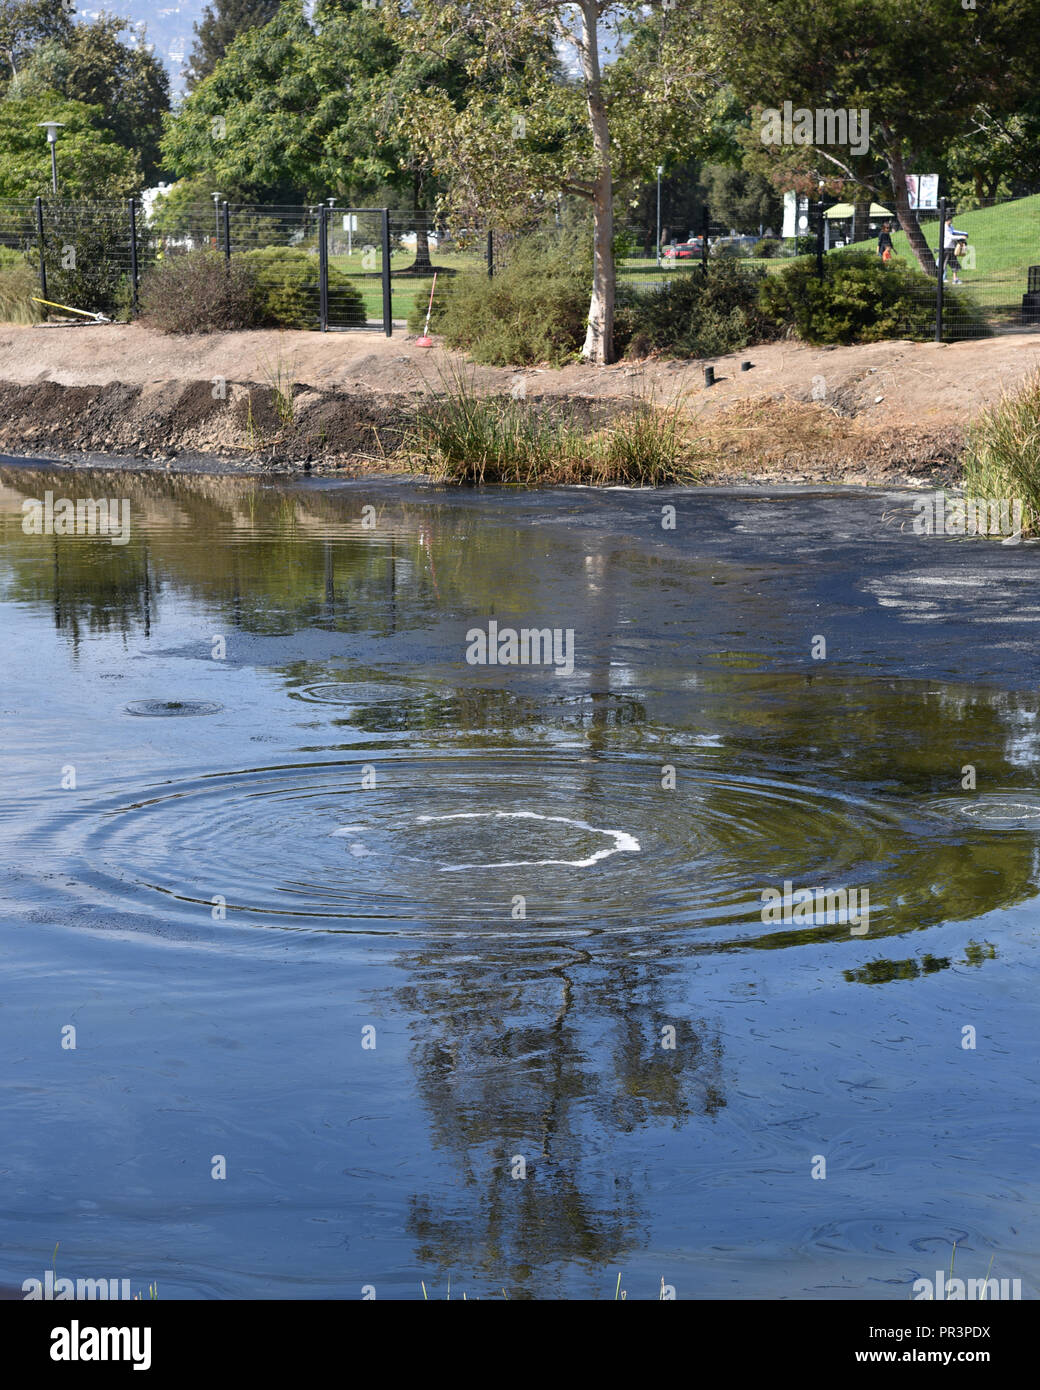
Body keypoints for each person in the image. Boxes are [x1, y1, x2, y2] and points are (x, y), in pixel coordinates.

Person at [942, 214, 968, 284]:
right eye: (950, 219)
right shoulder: (944, 227)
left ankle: (955, 279)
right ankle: (942, 279)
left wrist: (964, 233)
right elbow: (950, 236)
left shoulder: (951, 226)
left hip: (952, 248)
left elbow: (954, 232)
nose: (951, 221)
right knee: (943, 264)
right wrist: (961, 237)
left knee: (954, 263)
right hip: (946, 248)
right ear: (947, 220)